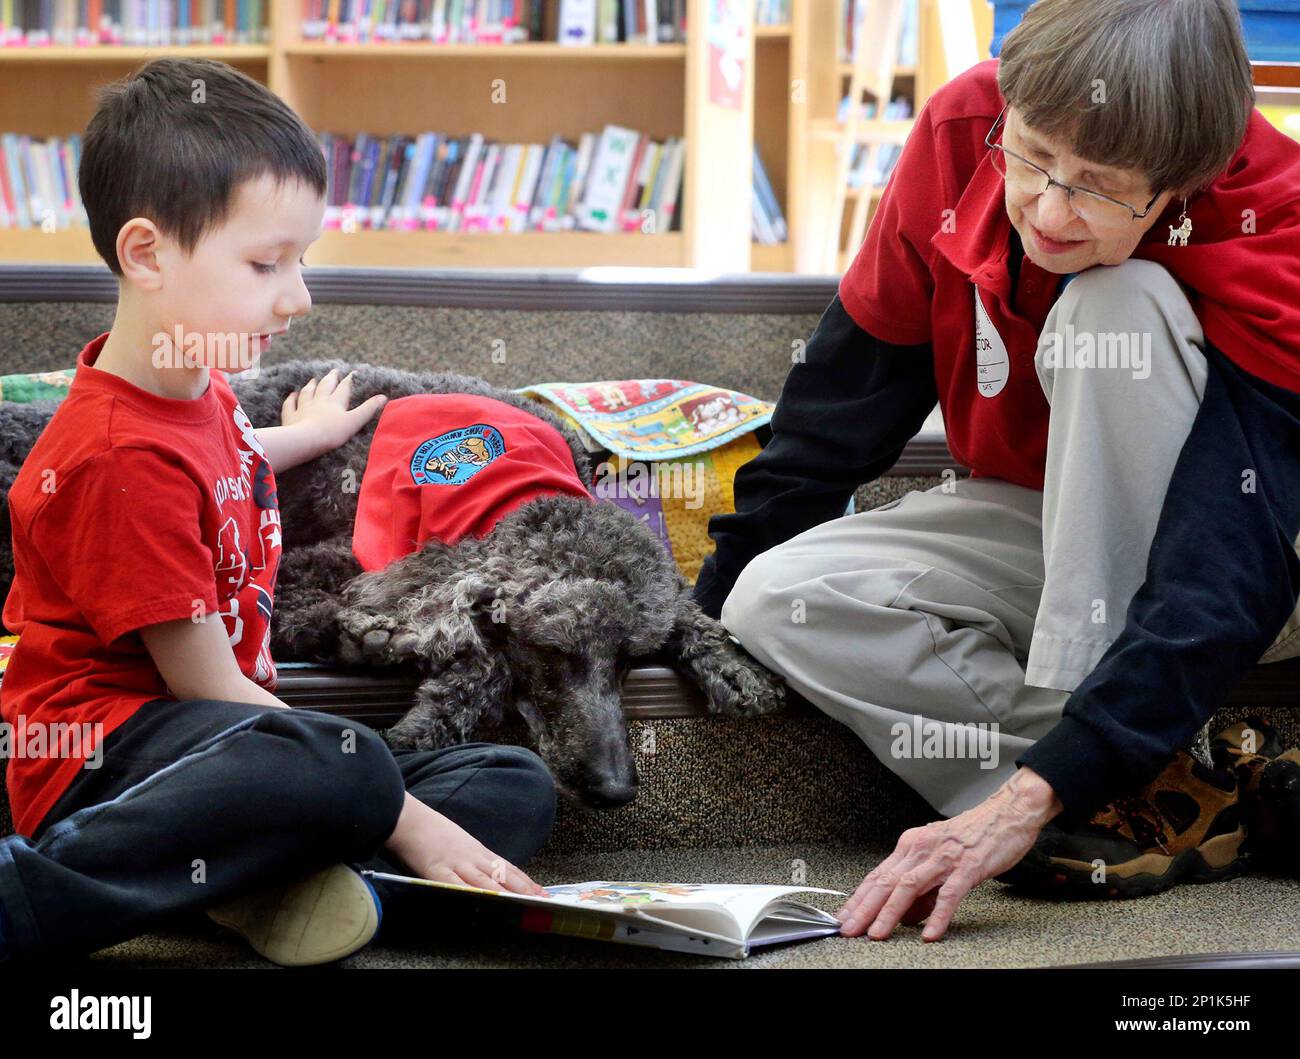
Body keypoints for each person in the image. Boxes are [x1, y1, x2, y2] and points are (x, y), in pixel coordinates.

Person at [694, 0, 1300, 941]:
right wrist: (688, 626)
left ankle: (1097, 764)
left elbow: (1229, 561)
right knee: (776, 596)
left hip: (1253, 564)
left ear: (1183, 182)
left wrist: (1043, 781)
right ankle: (1169, 790)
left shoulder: (1278, 216)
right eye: (1031, 156)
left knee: (1119, 304)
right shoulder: (959, 126)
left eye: (1098, 187)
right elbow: (842, 406)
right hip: (1047, 523)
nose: (1048, 210)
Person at [0, 57, 557, 967]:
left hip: (226, 755)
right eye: (266, 264)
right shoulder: (114, 455)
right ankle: (26, 899)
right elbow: (205, 686)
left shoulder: (193, 390)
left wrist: (301, 436)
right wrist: (408, 820)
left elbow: (218, 461)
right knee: (344, 766)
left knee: (509, 779)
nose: (297, 297)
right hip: (108, 767)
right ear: (146, 254)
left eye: (300, 261)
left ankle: (275, 892)